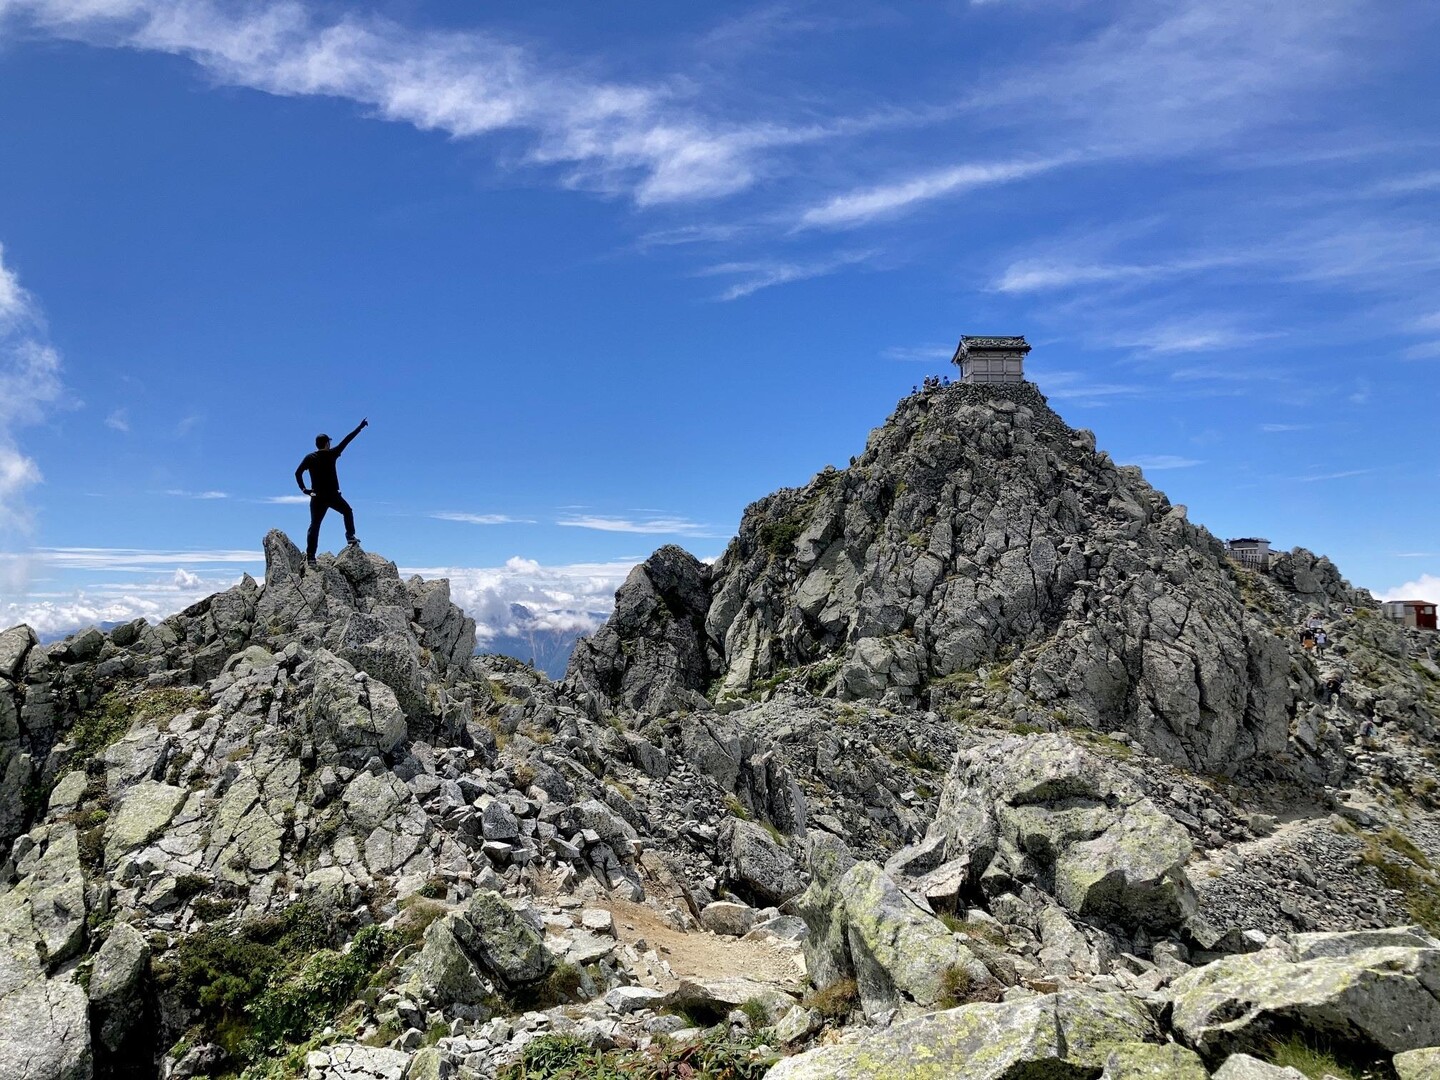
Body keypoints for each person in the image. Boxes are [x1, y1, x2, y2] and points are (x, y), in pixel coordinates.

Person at [295, 418, 368, 568]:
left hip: (317, 497)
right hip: (332, 495)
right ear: (327, 443)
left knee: (314, 526)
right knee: (347, 511)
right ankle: (350, 536)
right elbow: (347, 440)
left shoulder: (310, 457)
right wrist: (359, 427)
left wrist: (304, 490)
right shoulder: (332, 454)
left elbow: (297, 473)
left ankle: (311, 558)